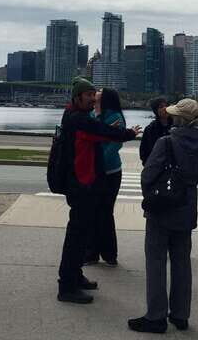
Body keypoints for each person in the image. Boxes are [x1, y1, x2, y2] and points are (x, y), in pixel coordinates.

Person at [57, 77, 141, 304]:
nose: (93, 98)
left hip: (82, 182)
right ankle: (67, 286)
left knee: (81, 233)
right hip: (81, 184)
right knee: (76, 236)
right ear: (77, 97)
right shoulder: (80, 120)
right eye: (89, 95)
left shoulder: (74, 115)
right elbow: (104, 133)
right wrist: (129, 133)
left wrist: (112, 130)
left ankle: (75, 276)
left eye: (94, 94)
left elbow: (100, 132)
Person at [129, 99, 198, 334]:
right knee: (182, 262)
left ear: (178, 119)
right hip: (186, 207)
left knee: (156, 262)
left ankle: (156, 316)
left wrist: (151, 196)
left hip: (162, 209)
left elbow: (148, 175)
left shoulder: (166, 142)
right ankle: (181, 314)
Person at [84, 87, 125, 267]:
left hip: (110, 172)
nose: (96, 91)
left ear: (106, 97)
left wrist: (98, 163)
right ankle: (91, 253)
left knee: (105, 212)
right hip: (94, 171)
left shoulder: (115, 117)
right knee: (92, 211)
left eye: (100, 90)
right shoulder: (92, 114)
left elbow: (115, 144)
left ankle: (109, 254)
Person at [140, 97, 171, 165]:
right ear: (155, 110)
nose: (165, 108)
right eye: (161, 107)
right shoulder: (150, 129)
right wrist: (148, 165)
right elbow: (144, 151)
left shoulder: (177, 127)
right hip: (155, 166)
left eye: (166, 106)